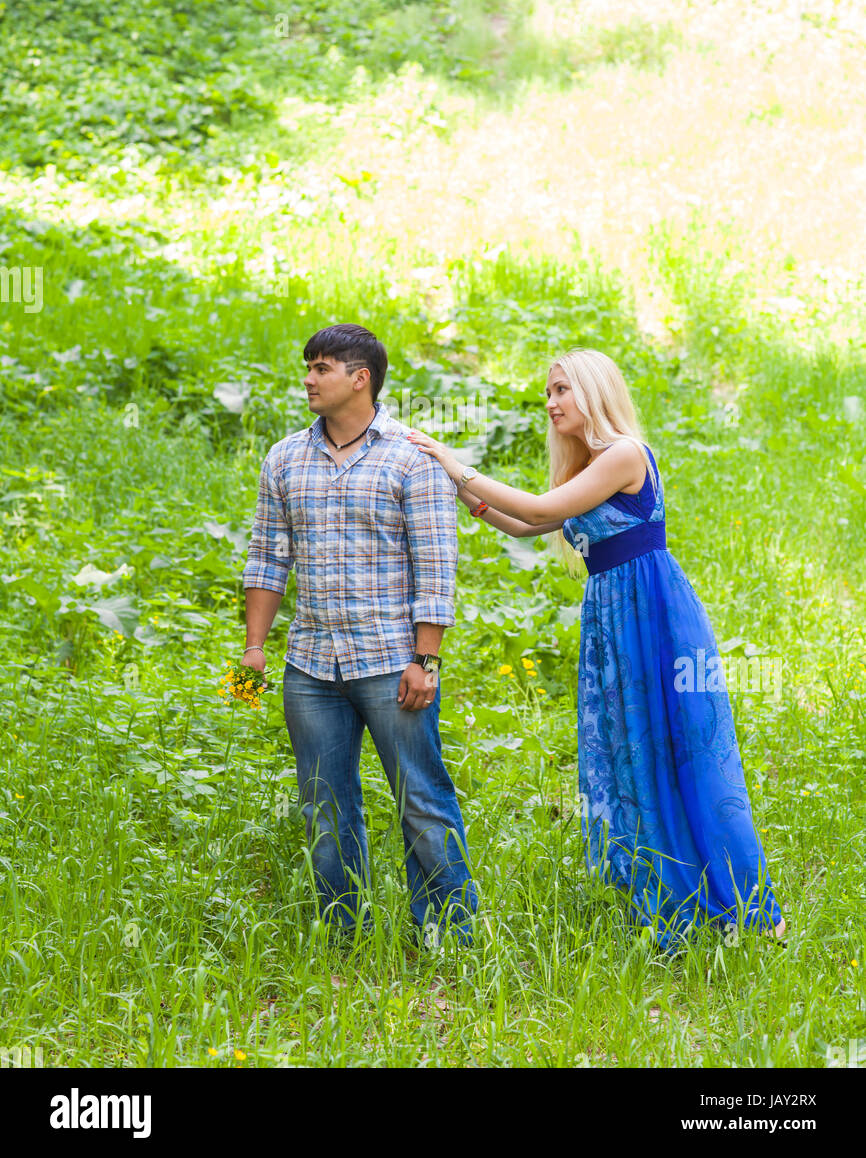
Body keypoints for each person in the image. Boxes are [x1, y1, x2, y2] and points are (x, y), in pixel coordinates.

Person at [407, 347, 786, 952]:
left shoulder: (625, 454)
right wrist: (458, 491)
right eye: (547, 394)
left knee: (690, 755)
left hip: (654, 619)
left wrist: (455, 464)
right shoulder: (586, 469)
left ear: (593, 391)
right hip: (613, 622)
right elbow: (526, 525)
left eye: (561, 390)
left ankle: (748, 905)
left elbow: (535, 509)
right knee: (632, 755)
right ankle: (670, 890)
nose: (551, 403)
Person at [240, 323, 477, 946]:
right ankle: (341, 934)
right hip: (311, 668)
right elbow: (267, 558)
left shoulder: (411, 458)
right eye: (308, 367)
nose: (308, 379)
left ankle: (448, 935)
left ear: (360, 378)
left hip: (391, 664)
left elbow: (435, 564)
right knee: (323, 803)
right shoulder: (284, 457)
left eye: (320, 368)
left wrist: (427, 660)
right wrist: (254, 651)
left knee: (422, 799)